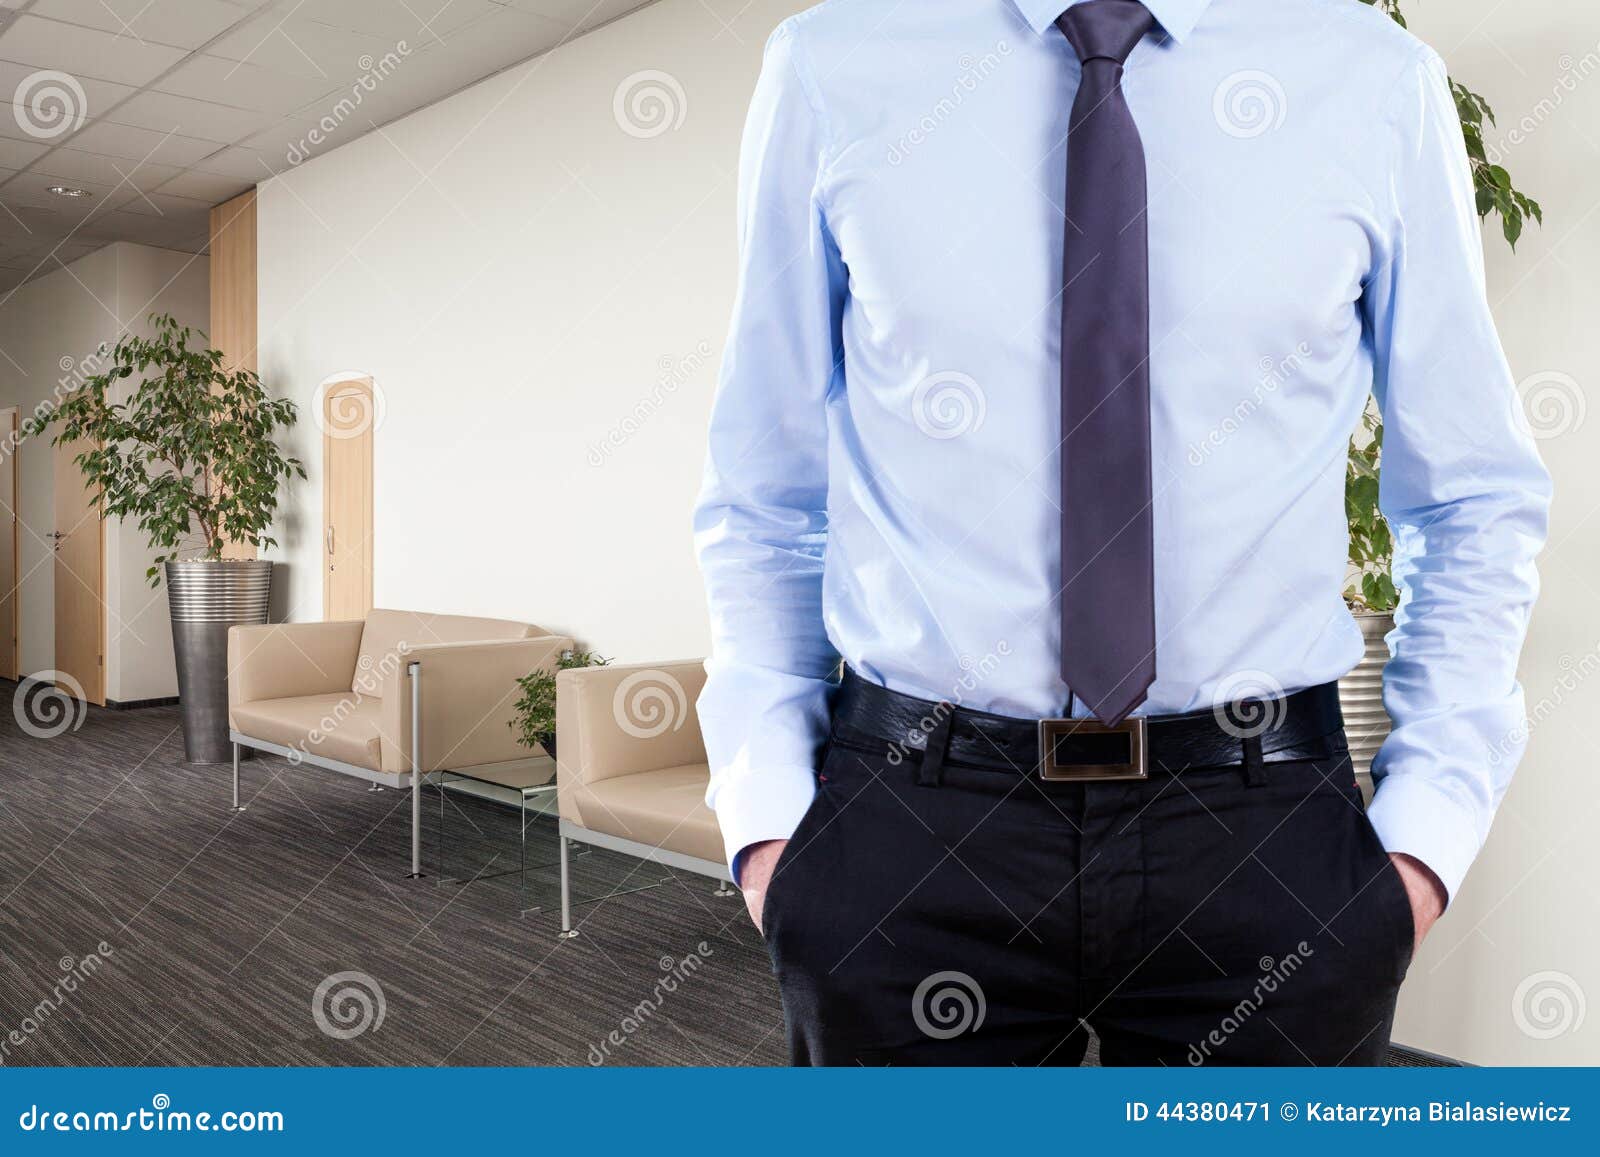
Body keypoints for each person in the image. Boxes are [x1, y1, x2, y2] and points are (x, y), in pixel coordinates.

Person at [693, 0, 1550, 1066]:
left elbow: (1471, 494)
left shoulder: (1373, 77)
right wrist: (775, 827)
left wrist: (1423, 838)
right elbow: (763, 489)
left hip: (1262, 827)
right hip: (911, 828)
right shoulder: (831, 63)